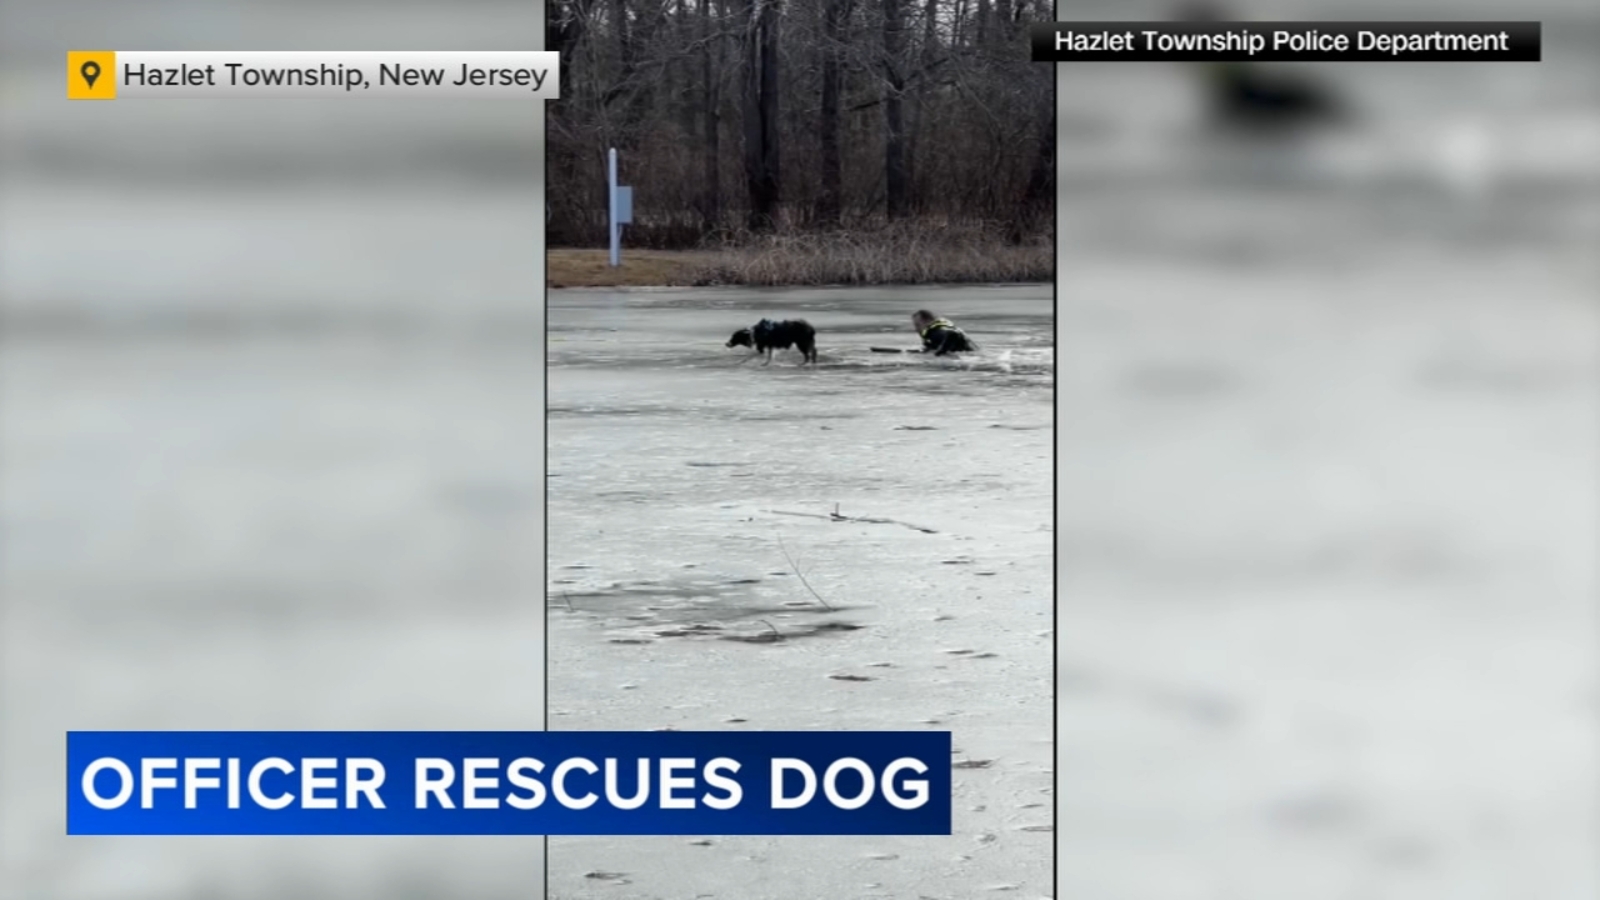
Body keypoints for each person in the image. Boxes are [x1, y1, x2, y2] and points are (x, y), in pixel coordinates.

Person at [911, 310, 977, 356]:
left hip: (969, 361)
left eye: (917, 325)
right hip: (975, 356)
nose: (916, 329)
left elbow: (953, 334)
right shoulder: (938, 331)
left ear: (928, 321)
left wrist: (939, 354)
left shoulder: (935, 332)